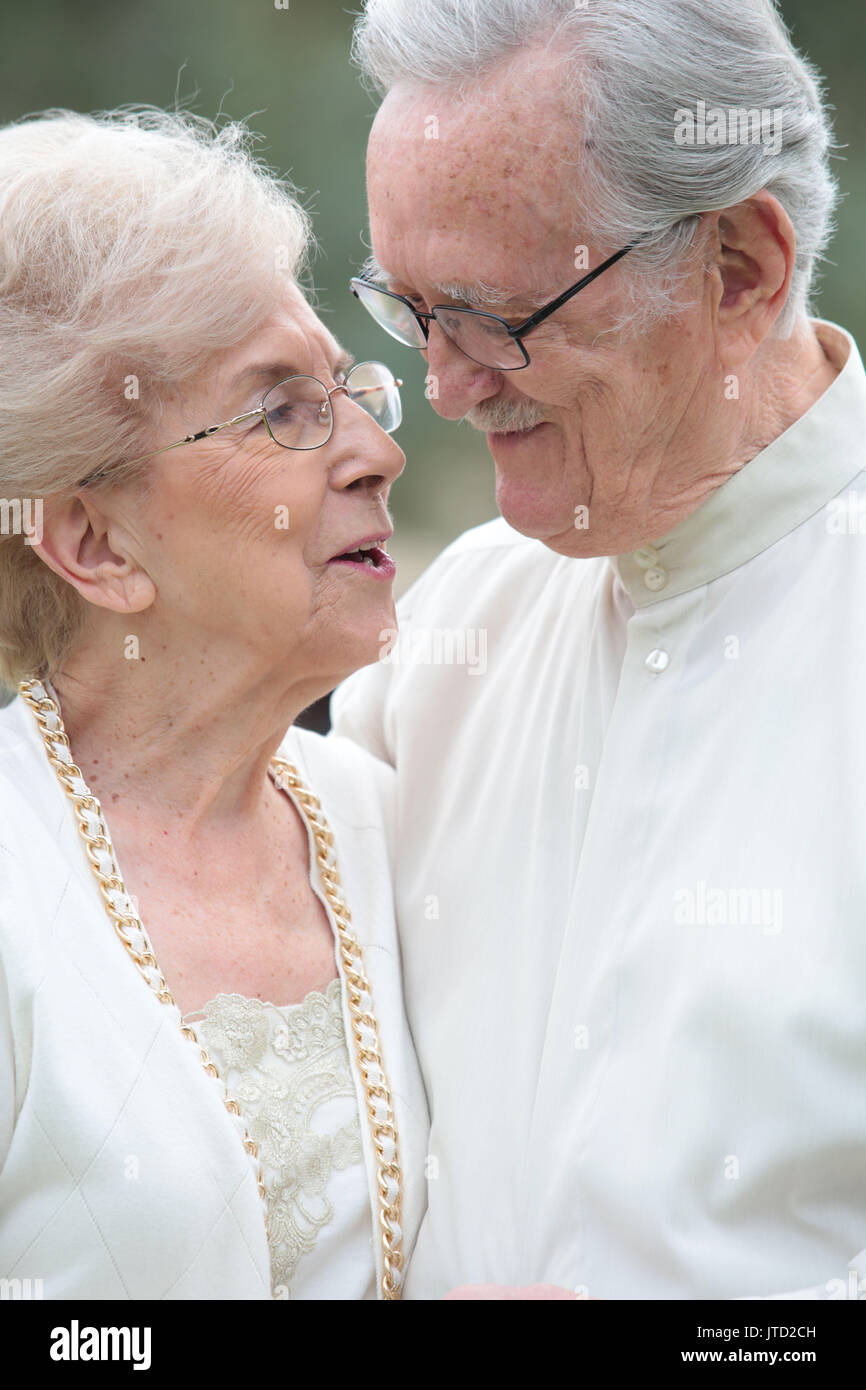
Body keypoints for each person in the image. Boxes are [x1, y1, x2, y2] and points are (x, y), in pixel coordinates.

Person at [333, 0, 866, 1298]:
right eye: (409, 311)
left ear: (736, 268)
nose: (446, 387)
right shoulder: (451, 625)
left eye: (494, 314)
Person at [0, 108, 427, 1300]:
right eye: (281, 409)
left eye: (349, 389)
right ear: (93, 543)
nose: (376, 455)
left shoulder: (392, 828)